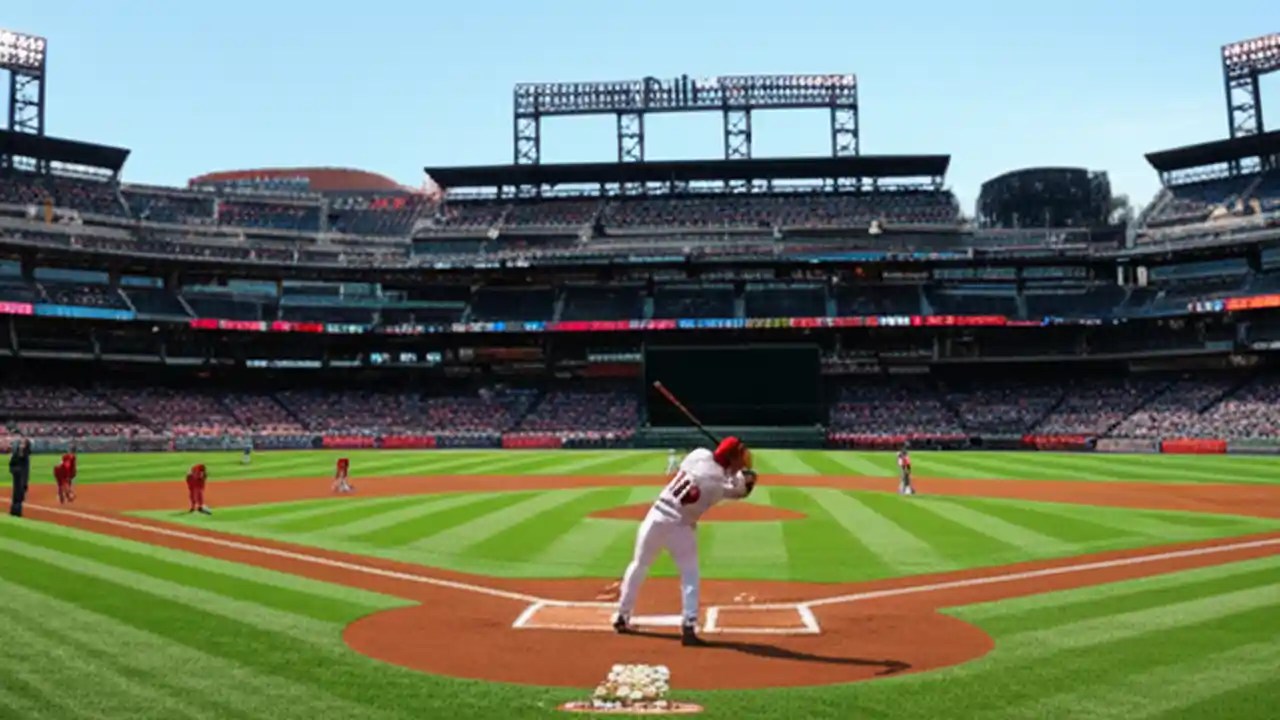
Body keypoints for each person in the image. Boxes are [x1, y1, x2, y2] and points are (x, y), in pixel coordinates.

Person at [614, 436, 757, 646]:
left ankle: (621, 616)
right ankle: (689, 624)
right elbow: (736, 491)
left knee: (639, 565)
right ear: (731, 458)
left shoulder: (699, 454)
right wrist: (742, 479)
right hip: (680, 526)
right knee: (690, 574)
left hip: (655, 516)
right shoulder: (716, 485)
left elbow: (703, 469)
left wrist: (728, 466)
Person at [9, 438, 31, 517]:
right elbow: (11, 465)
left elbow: (26, 470)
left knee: (20, 495)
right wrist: (15, 471)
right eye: (21, 444)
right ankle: (15, 511)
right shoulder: (16, 454)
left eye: (23, 444)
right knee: (17, 495)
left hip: (22, 477)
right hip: (18, 476)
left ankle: (17, 511)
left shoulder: (25, 456)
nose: (22, 445)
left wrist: (25, 481)